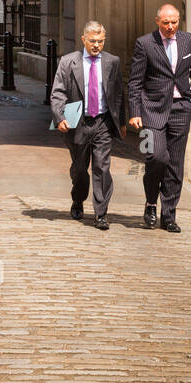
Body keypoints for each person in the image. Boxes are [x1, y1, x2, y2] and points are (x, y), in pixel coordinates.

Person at [127, 4, 191, 234]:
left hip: (181, 109)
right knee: (155, 157)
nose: (170, 27)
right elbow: (135, 81)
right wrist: (134, 112)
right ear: (157, 21)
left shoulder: (188, 40)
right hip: (152, 111)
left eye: (174, 22)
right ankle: (151, 202)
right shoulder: (145, 43)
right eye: (166, 23)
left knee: (175, 165)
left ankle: (168, 215)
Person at [50, 20, 126, 231]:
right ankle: (78, 198)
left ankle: (101, 213)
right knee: (80, 170)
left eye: (101, 41)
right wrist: (60, 117)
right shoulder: (68, 62)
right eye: (92, 41)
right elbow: (58, 93)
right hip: (78, 122)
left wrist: (120, 122)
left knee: (102, 167)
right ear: (83, 39)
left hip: (102, 121)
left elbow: (119, 93)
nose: (96, 45)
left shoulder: (112, 62)